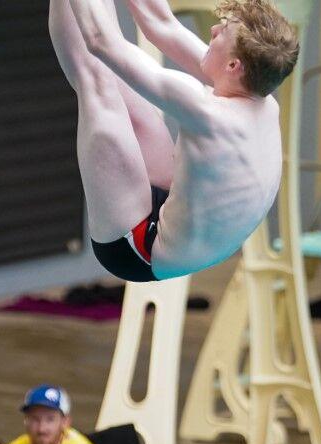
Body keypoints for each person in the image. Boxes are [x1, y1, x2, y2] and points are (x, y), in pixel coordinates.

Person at [49, 0, 298, 281]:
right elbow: (162, 24)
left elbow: (100, 41)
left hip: (141, 252)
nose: (213, 30)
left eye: (222, 33)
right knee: (116, 84)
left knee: (97, 80)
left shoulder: (208, 113)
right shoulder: (256, 92)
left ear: (233, 65)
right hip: (184, 219)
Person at [4, 385, 94, 444]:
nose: (41, 429)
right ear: (26, 421)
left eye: (50, 419)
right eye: (35, 419)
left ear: (65, 422)